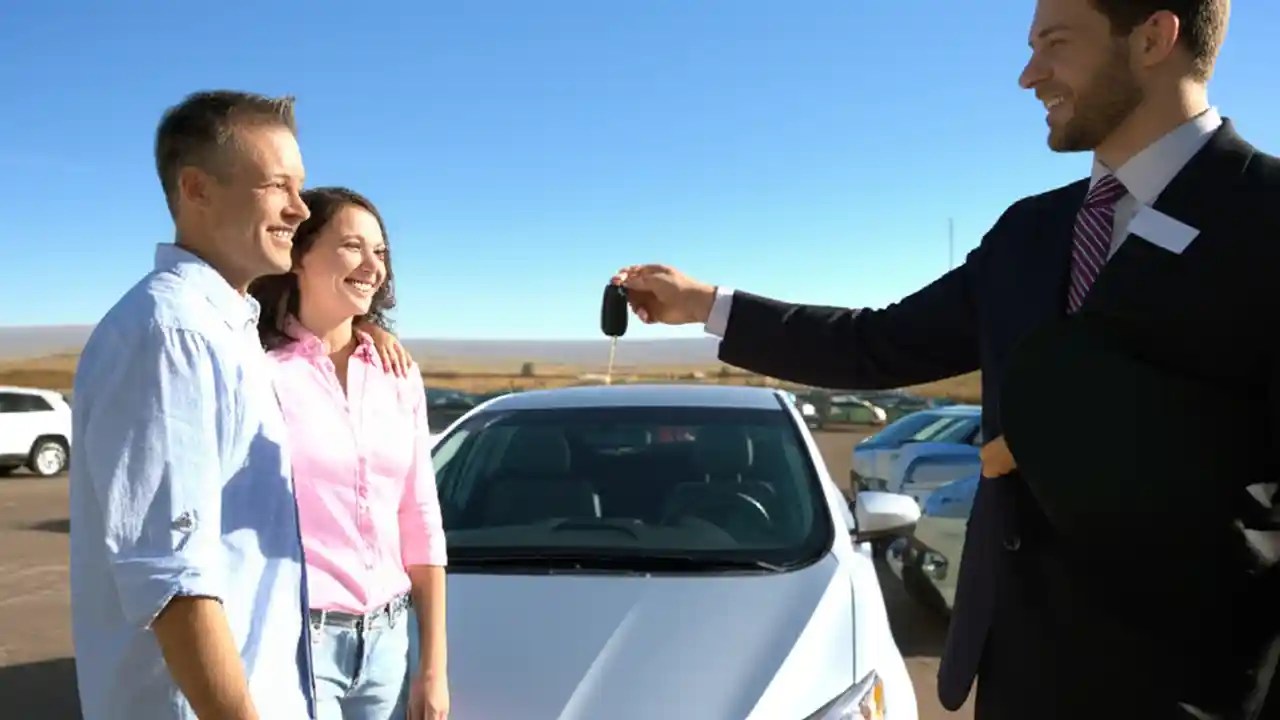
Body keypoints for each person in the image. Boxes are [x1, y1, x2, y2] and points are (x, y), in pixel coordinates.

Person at [611, 0, 1277, 717]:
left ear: (1153, 37)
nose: (1029, 75)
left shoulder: (1265, 216)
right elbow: (874, 344)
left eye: (1054, 43)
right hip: (1024, 676)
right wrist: (707, 304)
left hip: (1206, 685)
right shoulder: (1030, 233)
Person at [68, 90, 415, 720]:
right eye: (277, 185)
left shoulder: (227, 331)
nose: (299, 208)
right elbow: (174, 584)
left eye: (300, 186)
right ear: (197, 188)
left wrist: (363, 332)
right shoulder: (171, 335)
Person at [248, 186, 450, 720]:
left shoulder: (396, 374)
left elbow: (420, 518)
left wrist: (433, 667)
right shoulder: (257, 371)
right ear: (299, 255)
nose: (372, 265)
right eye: (352, 246)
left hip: (388, 643)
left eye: (380, 252)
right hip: (295, 643)